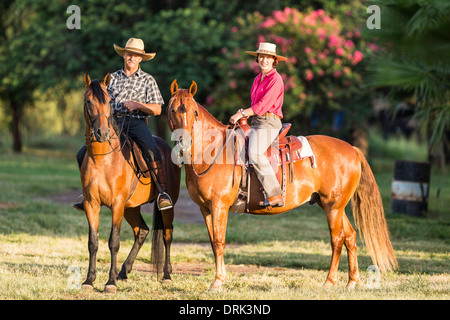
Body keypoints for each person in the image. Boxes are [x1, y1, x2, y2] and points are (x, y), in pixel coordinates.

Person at [74, 37, 173, 211]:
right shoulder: (110, 78)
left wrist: (137, 105)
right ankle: (88, 194)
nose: (132, 58)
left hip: (136, 122)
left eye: (136, 55)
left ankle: (162, 191)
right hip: (112, 122)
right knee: (82, 153)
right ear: (124, 55)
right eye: (129, 54)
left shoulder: (147, 80)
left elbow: (157, 109)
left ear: (141, 58)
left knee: (152, 148)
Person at [229, 42, 287, 207]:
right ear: (257, 58)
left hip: (270, 122)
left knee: (254, 153)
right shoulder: (257, 79)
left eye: (268, 57)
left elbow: (262, 106)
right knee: (234, 146)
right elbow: (255, 106)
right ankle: (241, 190)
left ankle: (275, 194)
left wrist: (241, 113)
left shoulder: (276, 80)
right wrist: (245, 113)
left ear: (274, 60)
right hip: (256, 122)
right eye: (261, 56)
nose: (264, 60)